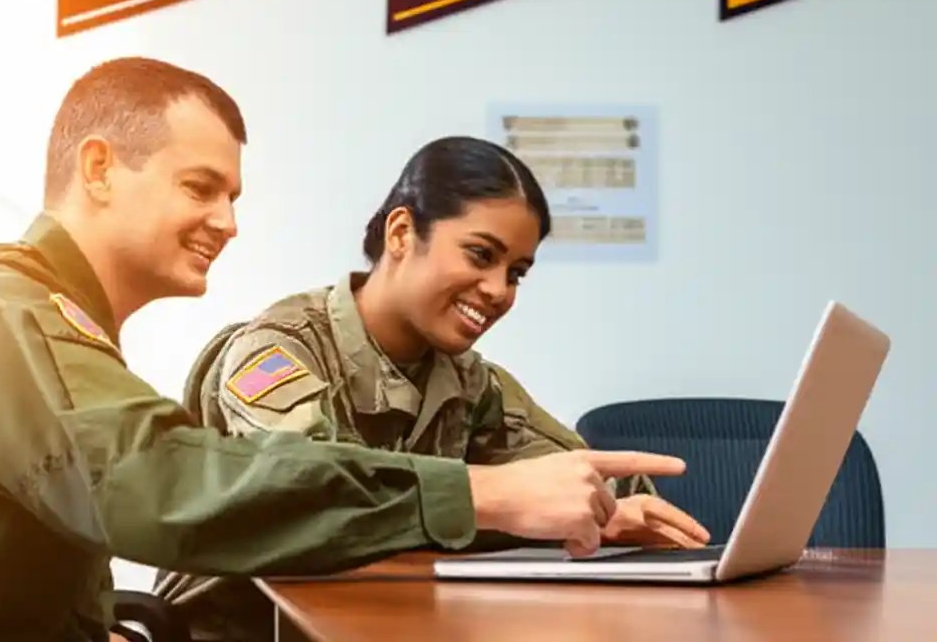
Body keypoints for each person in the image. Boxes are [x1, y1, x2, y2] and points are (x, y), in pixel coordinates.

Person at [0, 59, 690, 642]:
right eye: (198, 187)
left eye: (233, 195)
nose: (227, 219)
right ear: (99, 169)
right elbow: (157, 486)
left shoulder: (59, 328)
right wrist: (479, 495)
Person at [153, 136, 711, 641]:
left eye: (516, 272)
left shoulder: (468, 379)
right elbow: (313, 495)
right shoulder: (276, 352)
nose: (497, 290)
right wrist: (500, 501)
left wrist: (617, 510)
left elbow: (570, 473)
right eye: (480, 254)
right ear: (401, 234)